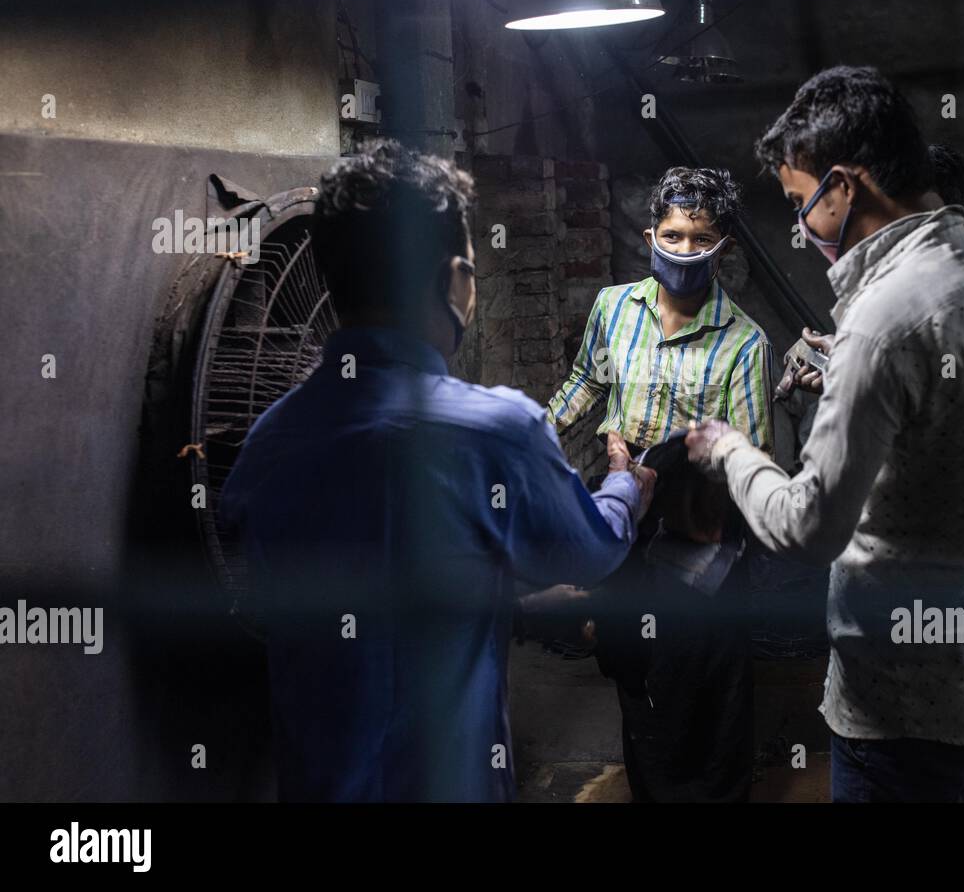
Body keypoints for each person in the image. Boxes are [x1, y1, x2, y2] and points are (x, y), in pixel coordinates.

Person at [219, 138, 655, 803]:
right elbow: (591, 550)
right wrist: (628, 486)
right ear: (455, 279)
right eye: (473, 271)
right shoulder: (493, 433)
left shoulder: (267, 441)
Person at [686, 65, 964, 802]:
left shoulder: (884, 316)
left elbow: (808, 528)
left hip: (896, 705)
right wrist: (860, 390)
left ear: (844, 187)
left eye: (801, 203)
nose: (800, 228)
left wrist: (731, 451)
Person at [546, 166, 774, 801]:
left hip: (699, 531)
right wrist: (532, 435)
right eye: (670, 236)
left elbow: (750, 462)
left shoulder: (745, 344)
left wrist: (676, 468)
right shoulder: (614, 308)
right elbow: (587, 383)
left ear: (723, 246)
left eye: (698, 239)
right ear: (650, 234)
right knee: (638, 677)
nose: (682, 251)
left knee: (705, 684)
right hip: (624, 515)